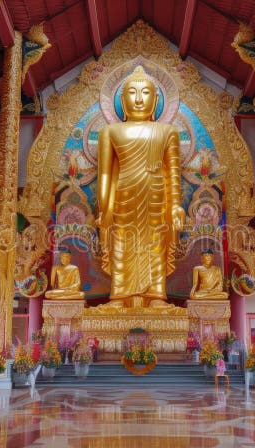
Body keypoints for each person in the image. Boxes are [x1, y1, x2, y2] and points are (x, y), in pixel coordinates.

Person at [96, 66, 185, 304]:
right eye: (131, 93)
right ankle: (119, 296)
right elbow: (104, 175)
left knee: (156, 243)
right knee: (123, 242)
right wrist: (103, 207)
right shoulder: (110, 131)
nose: (138, 99)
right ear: (122, 101)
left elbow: (173, 174)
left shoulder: (168, 131)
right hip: (123, 195)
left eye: (145, 93)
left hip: (157, 194)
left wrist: (176, 206)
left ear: (156, 100)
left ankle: (156, 295)